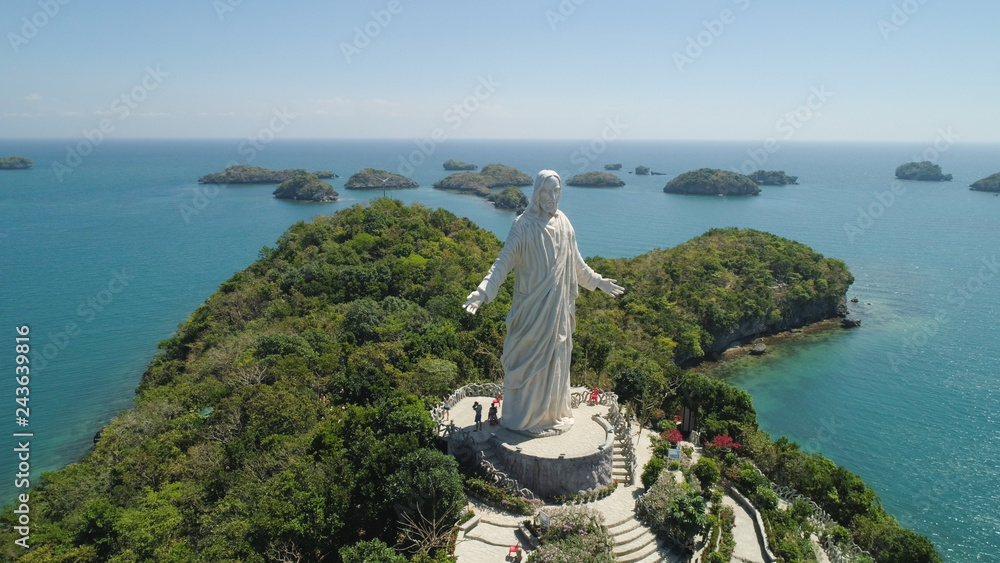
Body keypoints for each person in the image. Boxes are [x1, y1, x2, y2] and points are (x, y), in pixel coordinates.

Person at [464, 170, 624, 435]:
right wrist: (483, 292)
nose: (552, 197)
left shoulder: (564, 224)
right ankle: (523, 419)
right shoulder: (523, 225)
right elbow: (501, 264)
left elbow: (576, 264)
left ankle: (551, 415)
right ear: (537, 192)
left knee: (554, 363)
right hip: (530, 313)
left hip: (557, 312)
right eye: (548, 191)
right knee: (527, 365)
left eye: (557, 191)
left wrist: (598, 282)